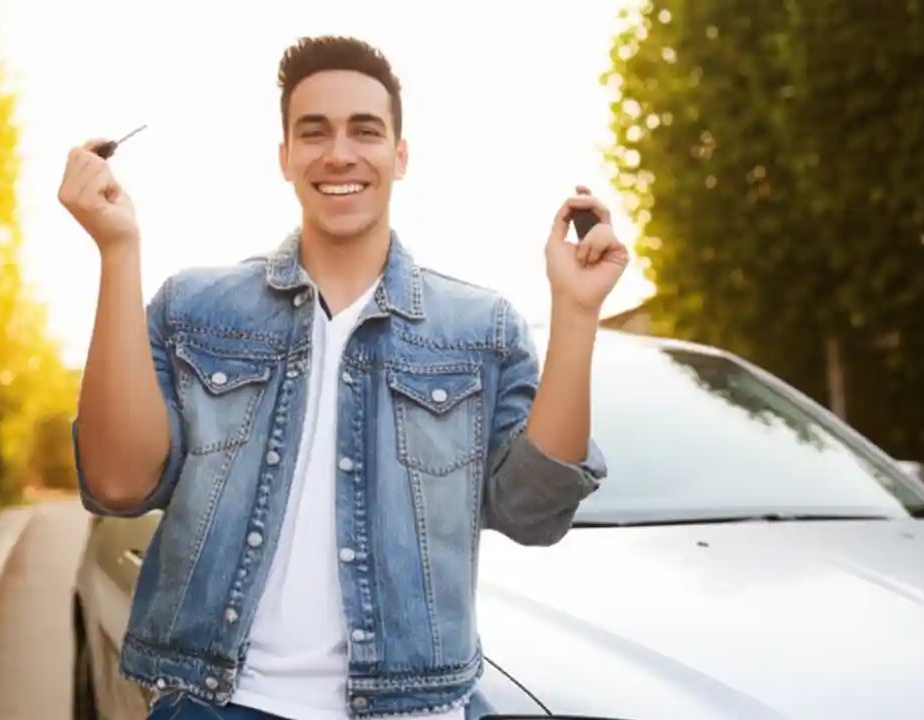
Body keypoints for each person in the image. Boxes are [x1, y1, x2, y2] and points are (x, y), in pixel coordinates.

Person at [59, 34, 625, 720]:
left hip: (414, 710)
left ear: (399, 155)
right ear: (285, 157)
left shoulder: (480, 330)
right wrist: (118, 250)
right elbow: (118, 484)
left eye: (365, 130)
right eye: (313, 132)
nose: (339, 153)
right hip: (218, 704)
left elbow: (534, 514)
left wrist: (577, 312)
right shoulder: (195, 311)